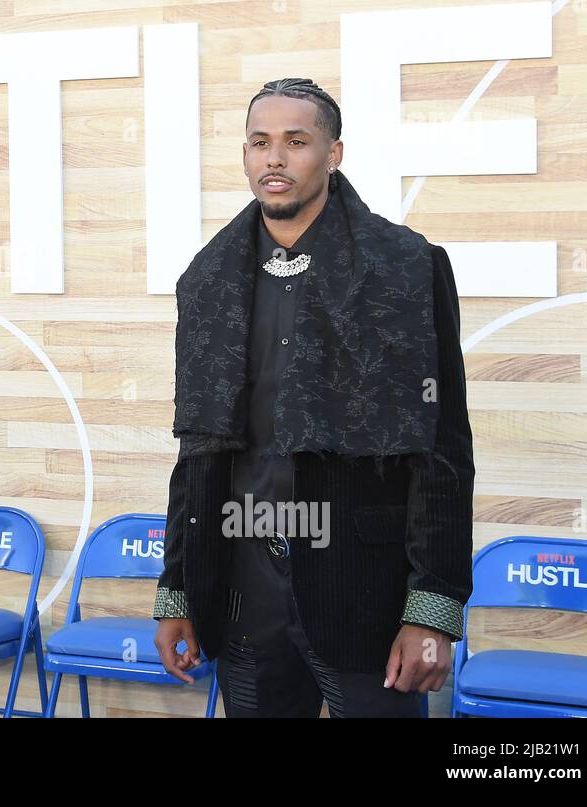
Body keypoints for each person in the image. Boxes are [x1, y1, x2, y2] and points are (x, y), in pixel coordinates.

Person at [152, 77, 475, 717]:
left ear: (334, 153)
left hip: (366, 595)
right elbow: (197, 453)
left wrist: (432, 610)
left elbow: (442, 450)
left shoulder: (406, 267)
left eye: (296, 142)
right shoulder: (208, 279)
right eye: (260, 142)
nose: (274, 158)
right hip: (245, 591)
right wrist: (178, 592)